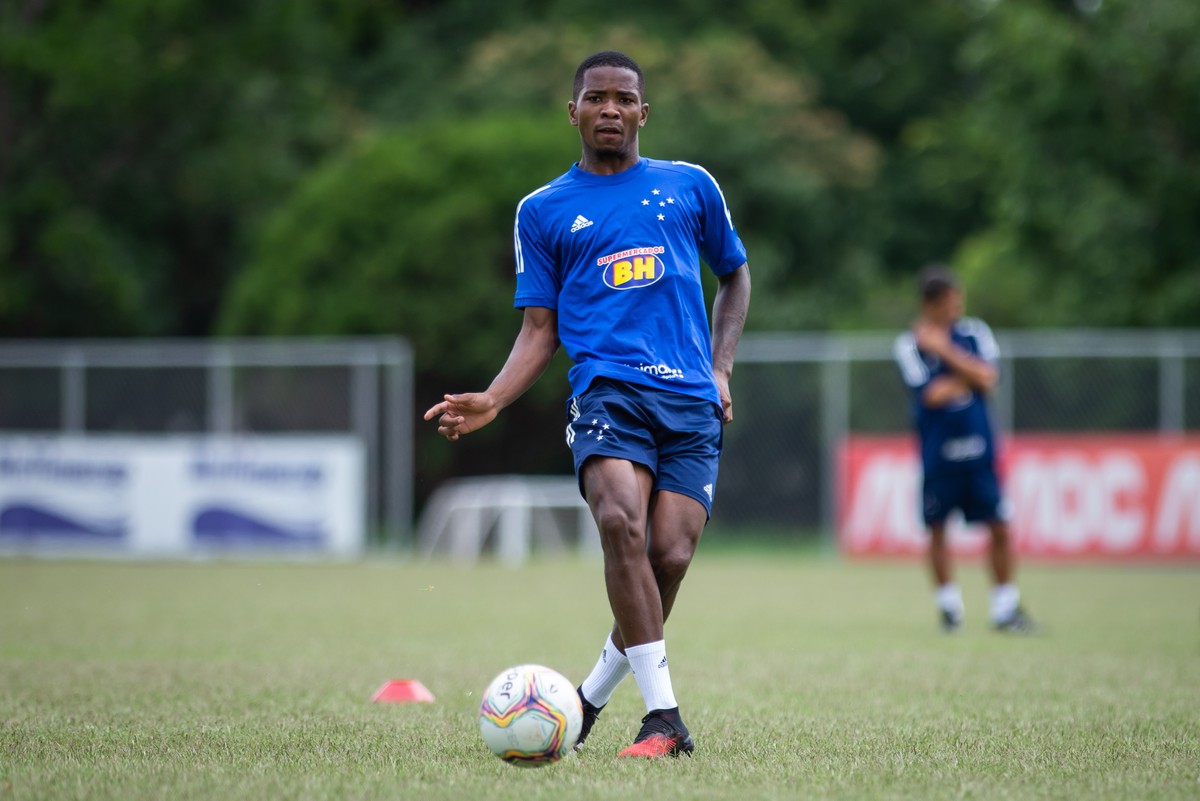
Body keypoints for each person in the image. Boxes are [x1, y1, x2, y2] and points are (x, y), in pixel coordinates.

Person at [424, 50, 750, 758]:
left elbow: (735, 275)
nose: (610, 108)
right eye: (595, 98)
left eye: (623, 98)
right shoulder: (542, 210)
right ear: (572, 112)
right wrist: (495, 398)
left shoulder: (690, 186)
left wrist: (721, 367)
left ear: (643, 112)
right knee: (619, 523)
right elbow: (538, 331)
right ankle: (665, 717)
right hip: (607, 391)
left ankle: (587, 699)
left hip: (691, 402)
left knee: (668, 551)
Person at [893, 265, 1035, 634]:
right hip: (938, 457)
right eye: (948, 304)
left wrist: (945, 351)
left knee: (999, 525)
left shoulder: (974, 333)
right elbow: (931, 394)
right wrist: (969, 378)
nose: (955, 310)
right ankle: (950, 609)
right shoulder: (908, 344)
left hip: (981, 453)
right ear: (930, 304)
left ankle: (1005, 608)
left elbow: (990, 377)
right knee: (937, 530)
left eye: (958, 302)